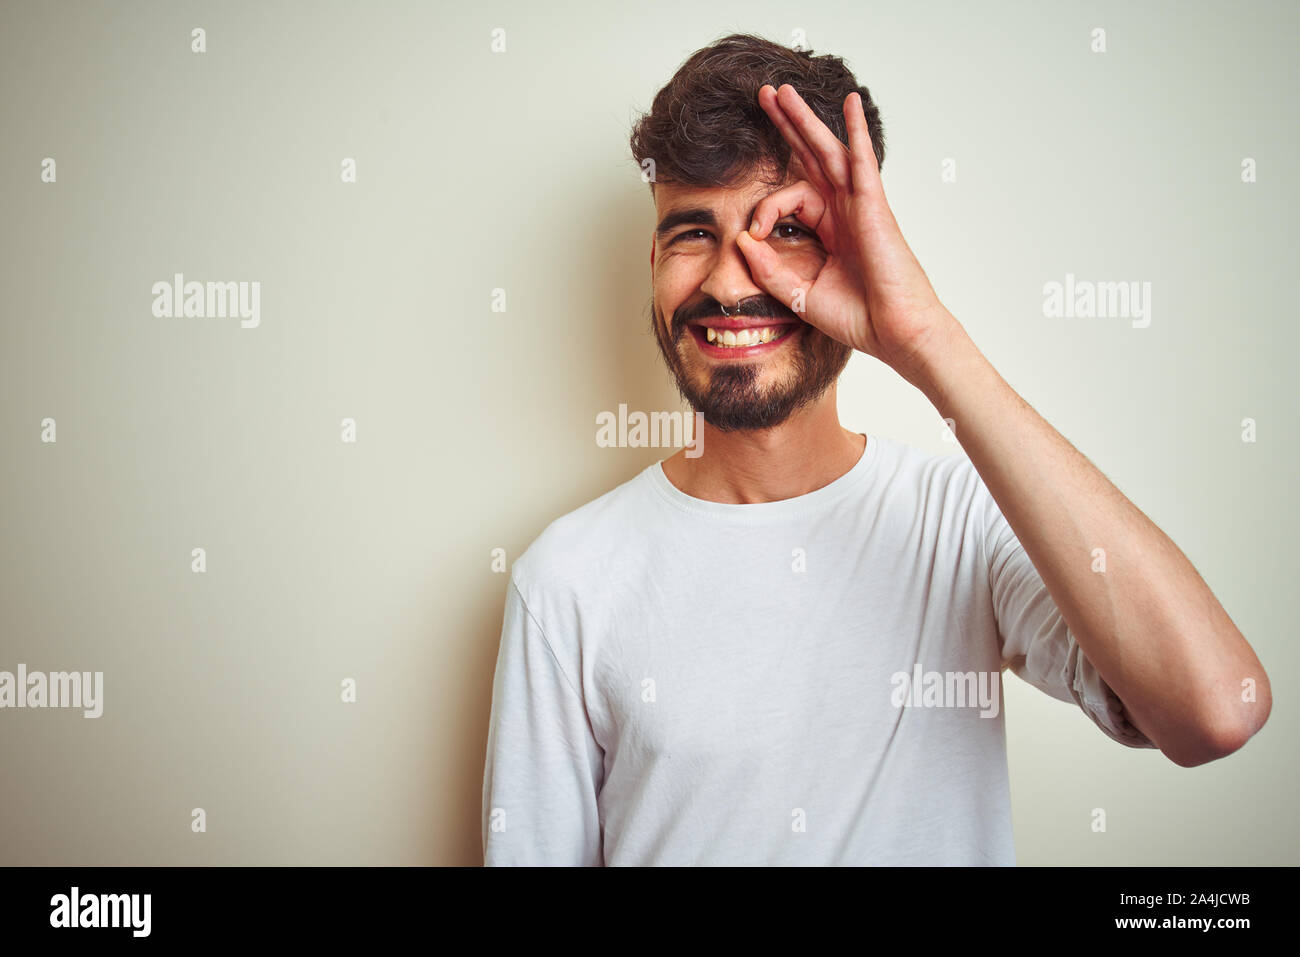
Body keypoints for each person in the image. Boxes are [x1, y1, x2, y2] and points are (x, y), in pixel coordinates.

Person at [480, 33, 1271, 866]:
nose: (729, 280)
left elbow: (1216, 708)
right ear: (652, 260)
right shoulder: (564, 581)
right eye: (692, 234)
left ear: (858, 246)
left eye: (785, 227)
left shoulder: (962, 522)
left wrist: (926, 338)